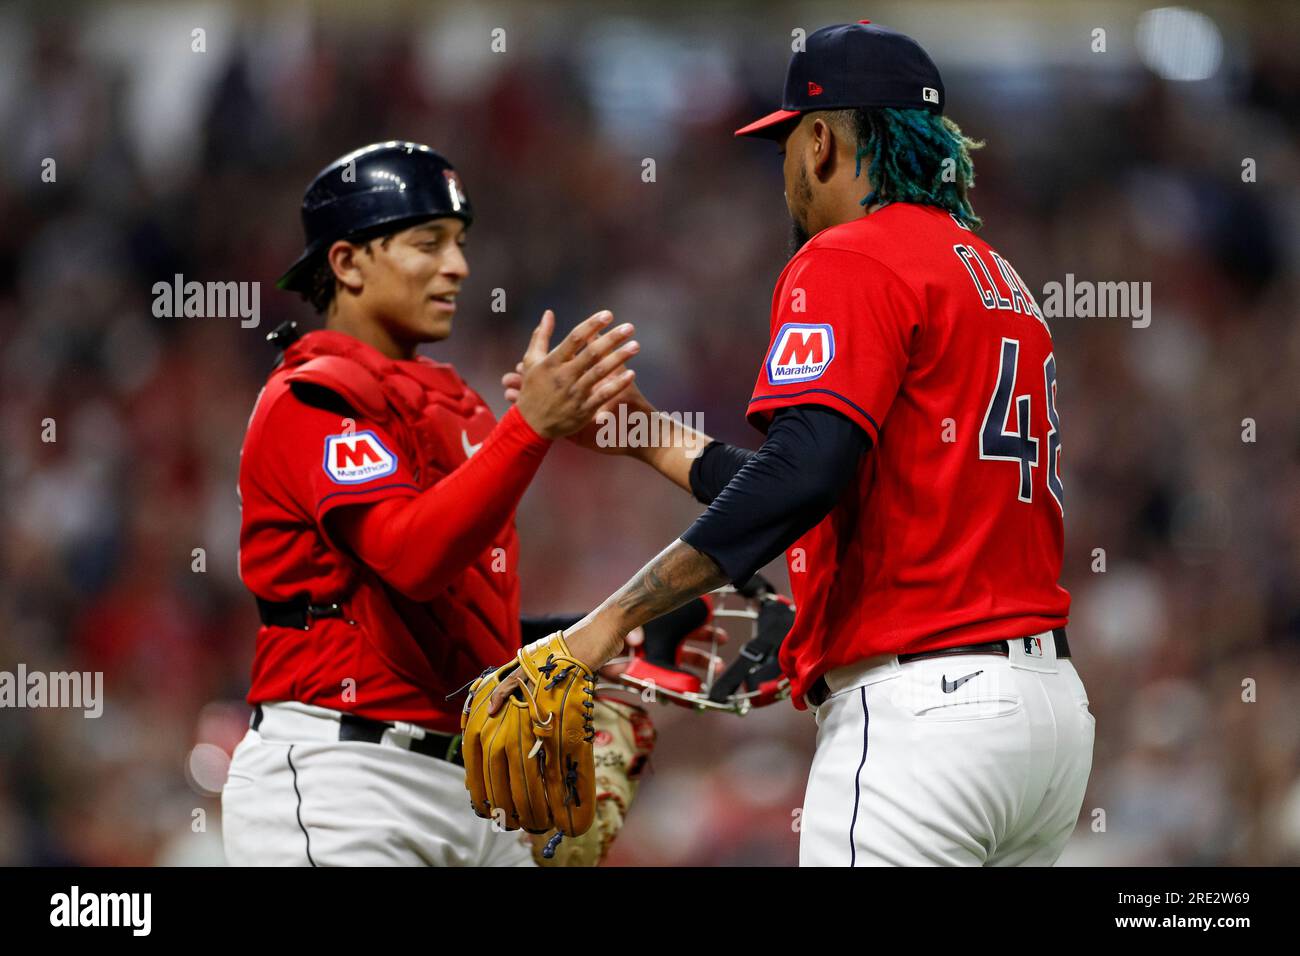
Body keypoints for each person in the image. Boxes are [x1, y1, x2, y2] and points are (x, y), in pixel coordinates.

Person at [489, 22, 1095, 867]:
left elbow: (803, 474)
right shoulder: (995, 277)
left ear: (819, 142)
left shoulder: (848, 255)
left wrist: (606, 625)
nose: (783, 176)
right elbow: (829, 482)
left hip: (922, 715)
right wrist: (643, 434)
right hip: (1046, 724)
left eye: (783, 144)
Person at [221, 140, 657, 866]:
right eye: (428, 243)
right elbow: (412, 557)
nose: (457, 266)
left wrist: (604, 630)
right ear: (347, 263)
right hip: (347, 781)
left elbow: (452, 613)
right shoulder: (312, 399)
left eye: (459, 243)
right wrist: (531, 428)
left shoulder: (451, 408)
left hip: (478, 790)